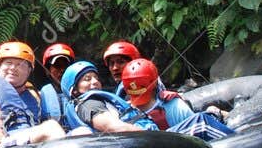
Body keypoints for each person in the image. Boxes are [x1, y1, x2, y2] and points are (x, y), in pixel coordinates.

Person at [72, 56, 231, 141]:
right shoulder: (89, 104)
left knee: (205, 117)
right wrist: (153, 137)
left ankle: (216, 114)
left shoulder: (170, 102)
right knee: (201, 122)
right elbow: (114, 127)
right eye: (87, 79)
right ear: (73, 91)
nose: (94, 82)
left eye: (95, 78)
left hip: (148, 138)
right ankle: (237, 141)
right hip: (146, 142)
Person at [38, 41, 82, 132]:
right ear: (47, 70)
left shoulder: (81, 90)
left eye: (66, 66)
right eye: (57, 66)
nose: (62, 70)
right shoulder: (40, 95)